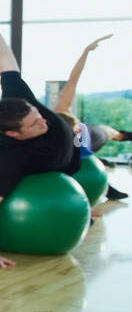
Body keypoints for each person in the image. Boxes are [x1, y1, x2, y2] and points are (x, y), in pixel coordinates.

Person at [0, 0, 82, 269]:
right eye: (34, 123)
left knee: (79, 135)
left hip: (72, 147)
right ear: (14, 134)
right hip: (60, 169)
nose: (42, 119)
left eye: (36, 113)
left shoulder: (18, 97)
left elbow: (2, 53)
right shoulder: (10, 157)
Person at [52, 33, 128, 202]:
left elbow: (73, 79)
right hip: (94, 138)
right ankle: (109, 187)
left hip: (96, 135)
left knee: (114, 134)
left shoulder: (60, 110)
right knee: (109, 139)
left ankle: (108, 180)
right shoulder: (66, 137)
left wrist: (86, 52)